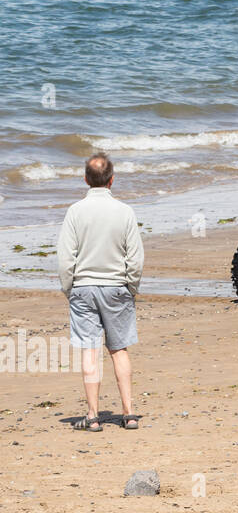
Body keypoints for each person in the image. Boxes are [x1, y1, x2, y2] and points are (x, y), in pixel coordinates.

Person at [57, 153, 143, 432]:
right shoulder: (124, 211)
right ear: (112, 180)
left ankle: (93, 415)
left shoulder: (75, 211)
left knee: (90, 350)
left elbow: (65, 258)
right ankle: (129, 413)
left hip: (83, 288)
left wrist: (69, 287)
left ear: (85, 179)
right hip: (117, 287)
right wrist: (131, 286)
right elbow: (136, 257)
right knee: (119, 349)